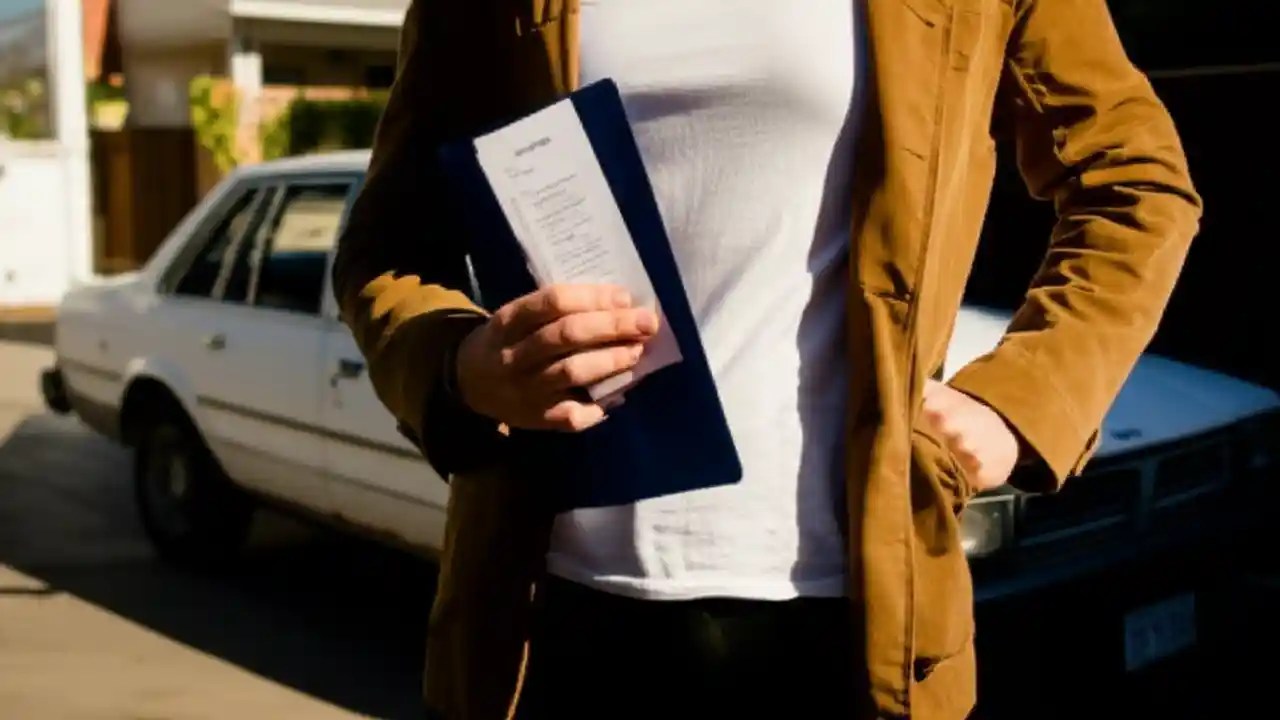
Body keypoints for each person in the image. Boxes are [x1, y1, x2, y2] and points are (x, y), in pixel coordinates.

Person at [333, 1, 1201, 718]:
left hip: (853, 616)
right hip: (546, 605)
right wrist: (459, 361)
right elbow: (387, 245)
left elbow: (1135, 185)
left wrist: (1019, 405)